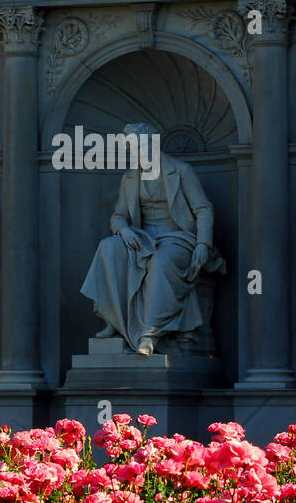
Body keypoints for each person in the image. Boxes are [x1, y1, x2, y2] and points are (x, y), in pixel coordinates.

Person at [81, 123, 224, 356]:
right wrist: (124, 230)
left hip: (178, 237)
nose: (133, 152)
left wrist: (202, 244)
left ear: (151, 144)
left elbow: (203, 209)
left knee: (160, 262)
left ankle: (150, 333)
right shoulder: (129, 177)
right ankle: (115, 320)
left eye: (136, 146)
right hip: (143, 237)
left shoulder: (180, 170)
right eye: (130, 148)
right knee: (108, 247)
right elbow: (118, 216)